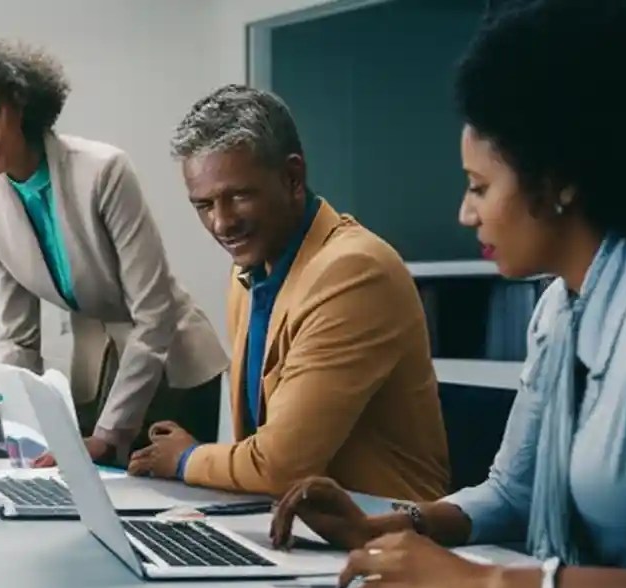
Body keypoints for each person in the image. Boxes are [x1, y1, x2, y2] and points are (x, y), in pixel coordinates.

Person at [270, 0, 626, 588]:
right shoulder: (560, 310)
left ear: (560, 181)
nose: (465, 213)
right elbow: (512, 494)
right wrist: (385, 525)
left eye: (480, 186)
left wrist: (492, 584)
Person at [0, 32, 228, 467]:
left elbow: (155, 312)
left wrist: (109, 433)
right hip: (96, 365)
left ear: (18, 101)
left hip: (172, 361)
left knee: (164, 514)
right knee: (87, 495)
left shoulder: (103, 170)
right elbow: (16, 338)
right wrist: (3, 428)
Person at [128, 85, 448, 501]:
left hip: (379, 534)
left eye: (238, 196)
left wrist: (187, 459)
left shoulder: (354, 271)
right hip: (287, 525)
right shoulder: (248, 273)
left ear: (293, 178)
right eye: (204, 205)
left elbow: (279, 465)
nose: (221, 223)